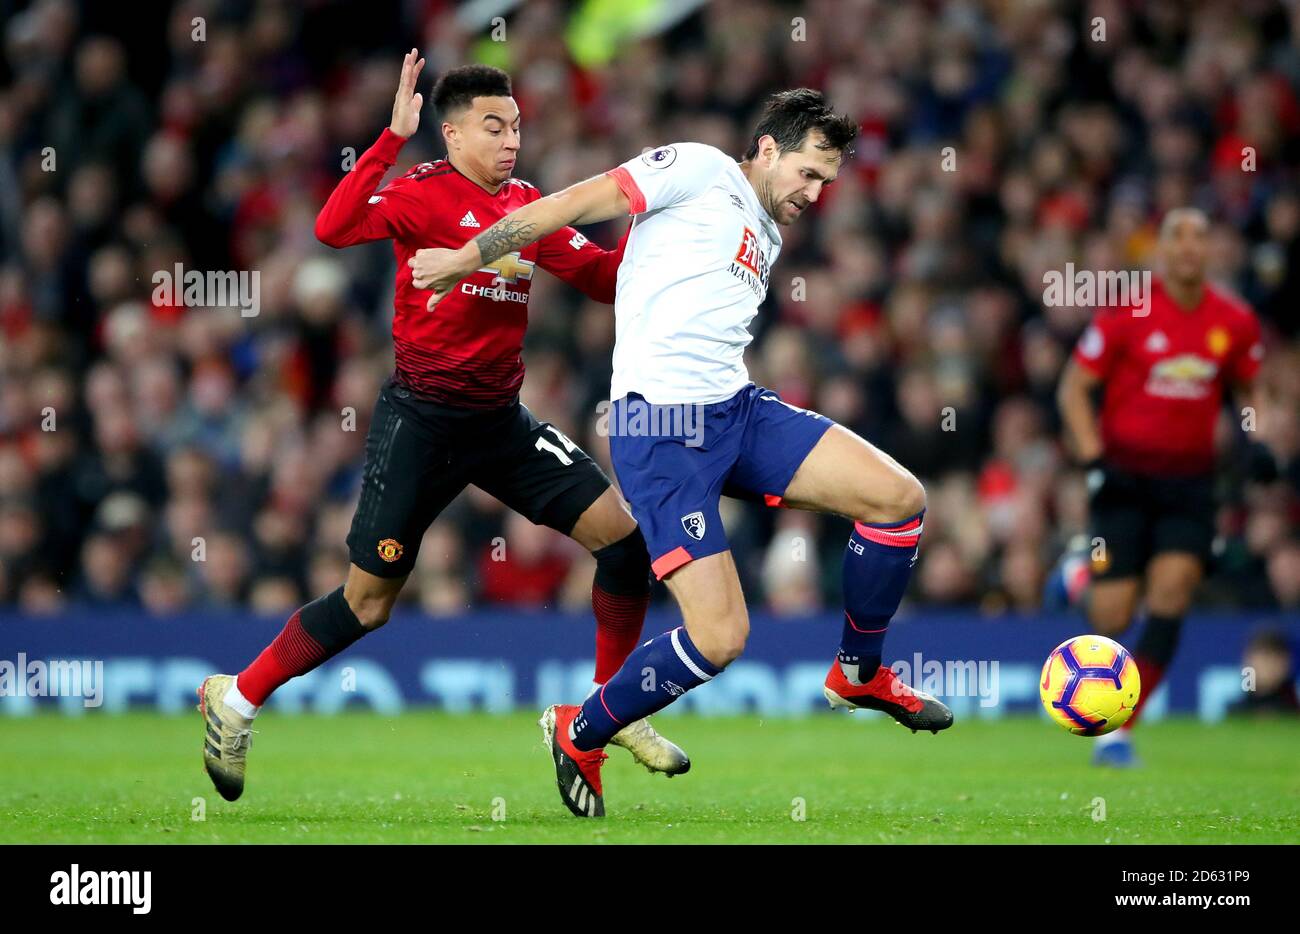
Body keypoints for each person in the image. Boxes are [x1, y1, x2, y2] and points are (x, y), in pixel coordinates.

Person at [411, 88, 952, 818]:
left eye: (826, 182)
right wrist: (467, 258)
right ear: (767, 149)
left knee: (899, 499)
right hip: (661, 430)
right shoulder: (697, 168)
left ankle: (857, 672)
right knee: (721, 636)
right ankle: (582, 728)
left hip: (735, 410)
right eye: (808, 173)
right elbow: (569, 204)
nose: (815, 194)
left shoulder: (766, 226)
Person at [196, 52, 688, 803]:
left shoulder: (528, 206)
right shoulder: (422, 193)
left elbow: (601, 280)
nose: (510, 140)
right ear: (452, 135)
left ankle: (604, 710)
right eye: (493, 126)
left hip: (499, 423)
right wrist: (389, 140)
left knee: (623, 546)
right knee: (368, 604)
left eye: (517, 126)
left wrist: (671, 239)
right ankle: (236, 698)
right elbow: (333, 228)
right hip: (421, 422)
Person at [1057, 207, 1265, 767]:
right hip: (1123, 478)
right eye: (1179, 237)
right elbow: (1073, 390)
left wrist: (1257, 438)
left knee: (1173, 591)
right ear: (1160, 251)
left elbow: (1250, 391)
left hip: (1191, 484)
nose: (1190, 248)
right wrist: (1095, 460)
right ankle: (1079, 578)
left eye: (1201, 237)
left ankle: (1119, 729)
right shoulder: (1127, 313)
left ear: (1212, 251)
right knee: (1114, 615)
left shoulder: (1235, 322)